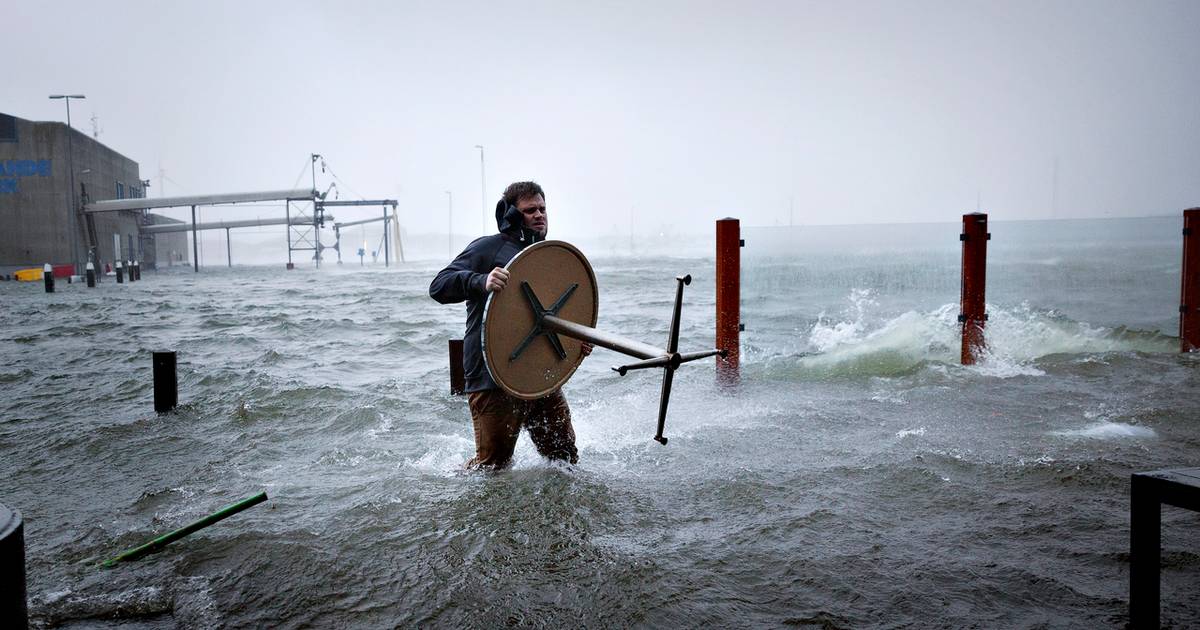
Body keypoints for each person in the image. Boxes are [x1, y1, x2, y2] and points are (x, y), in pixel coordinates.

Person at [429, 181, 588, 470]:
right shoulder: (489, 248)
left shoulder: (546, 258)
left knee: (565, 460)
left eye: (542, 209)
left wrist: (576, 342)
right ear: (511, 215)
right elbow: (439, 286)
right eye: (530, 210)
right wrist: (481, 281)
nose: (539, 215)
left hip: (538, 376)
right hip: (492, 377)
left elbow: (555, 314)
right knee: (493, 469)